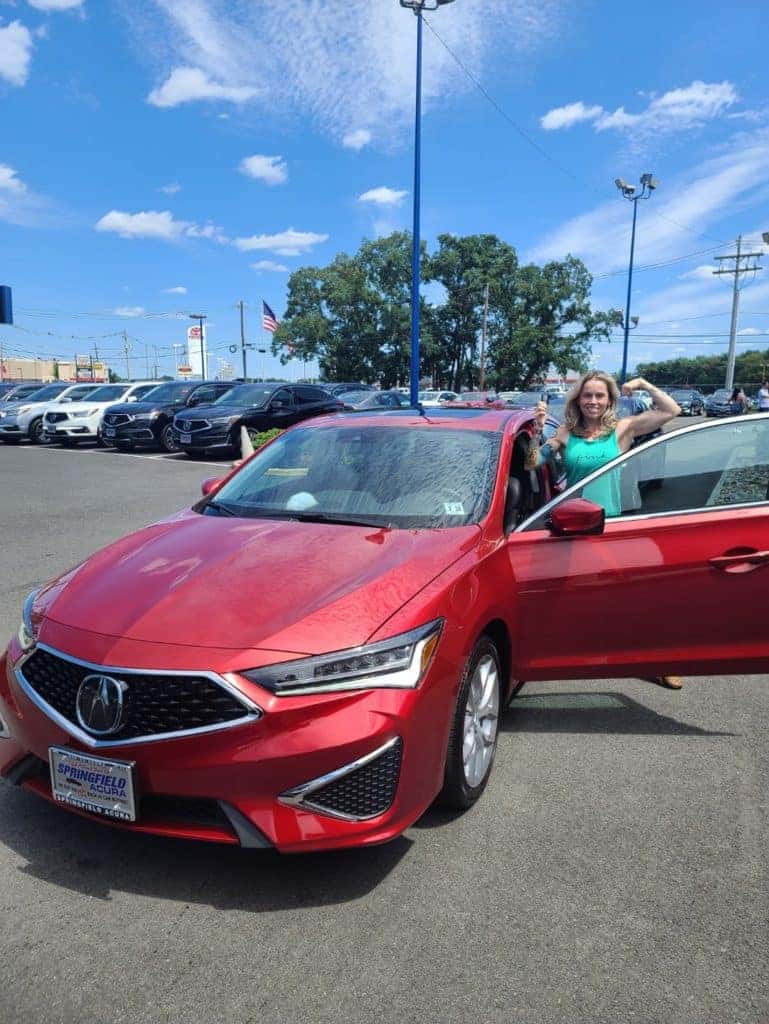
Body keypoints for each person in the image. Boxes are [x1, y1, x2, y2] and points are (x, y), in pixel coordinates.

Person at [528, 370, 683, 690]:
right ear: (578, 400)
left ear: (610, 400)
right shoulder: (566, 435)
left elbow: (672, 411)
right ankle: (558, 656)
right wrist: (538, 431)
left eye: (600, 396)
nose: (593, 401)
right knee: (569, 595)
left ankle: (658, 662)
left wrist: (642, 385)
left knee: (637, 596)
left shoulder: (622, 430)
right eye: (587, 395)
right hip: (573, 525)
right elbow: (533, 462)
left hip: (613, 523)